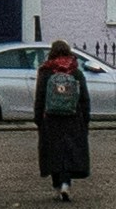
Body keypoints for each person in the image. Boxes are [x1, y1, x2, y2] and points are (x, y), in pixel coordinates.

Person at [34, 41, 92, 197]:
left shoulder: (45, 71)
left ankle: (57, 185)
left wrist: (38, 118)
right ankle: (66, 183)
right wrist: (85, 119)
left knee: (53, 151)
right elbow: (84, 98)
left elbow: (40, 97)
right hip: (73, 117)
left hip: (50, 118)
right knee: (69, 150)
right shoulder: (75, 72)